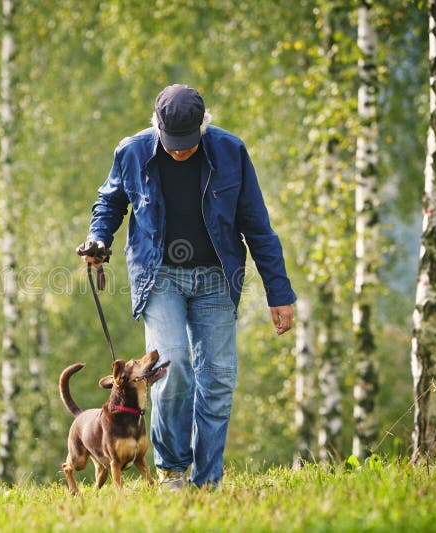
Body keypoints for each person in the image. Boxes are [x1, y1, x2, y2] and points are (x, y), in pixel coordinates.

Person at [78, 84, 296, 489]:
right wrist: (99, 239)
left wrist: (279, 293)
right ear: (156, 127)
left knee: (216, 378)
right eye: (172, 143)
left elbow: (258, 226)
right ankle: (173, 471)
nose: (180, 151)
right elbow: (110, 202)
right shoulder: (133, 151)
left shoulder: (231, 152)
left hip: (217, 278)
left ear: (204, 127)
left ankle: (208, 480)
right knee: (171, 367)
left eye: (188, 143)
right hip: (159, 275)